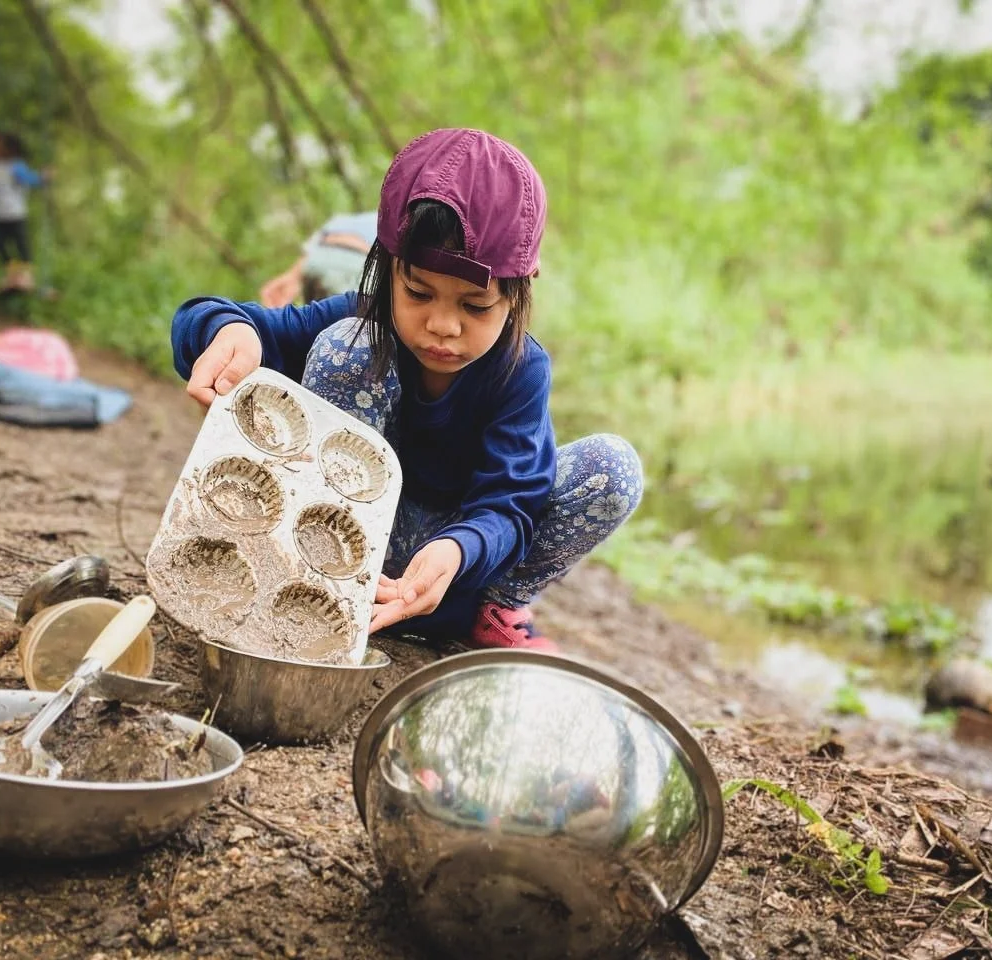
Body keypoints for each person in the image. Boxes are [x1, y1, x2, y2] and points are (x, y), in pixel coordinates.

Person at [172, 128, 643, 651]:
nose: (443, 325)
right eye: (418, 293)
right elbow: (220, 317)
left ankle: (496, 610)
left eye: (475, 306)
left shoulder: (520, 370)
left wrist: (460, 549)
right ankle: (318, 581)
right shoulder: (364, 321)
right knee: (348, 346)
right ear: (388, 273)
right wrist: (229, 332)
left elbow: (511, 503)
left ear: (516, 297)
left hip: (445, 582)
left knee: (613, 466)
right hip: (338, 546)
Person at [258, 212, 376, 307]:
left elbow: (322, 238)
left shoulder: (356, 219)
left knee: (318, 320)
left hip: (318, 257)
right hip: (356, 264)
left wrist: (293, 275)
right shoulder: (384, 220)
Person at [0, 131, 48, 295]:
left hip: (14, 214)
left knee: (21, 246)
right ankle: (12, 277)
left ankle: (26, 277)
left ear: (9, 149)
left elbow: (30, 179)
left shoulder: (16, 166)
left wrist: (43, 177)